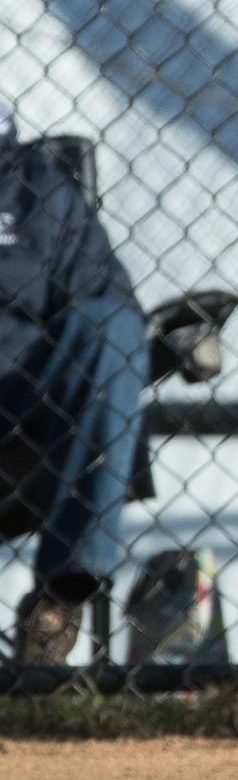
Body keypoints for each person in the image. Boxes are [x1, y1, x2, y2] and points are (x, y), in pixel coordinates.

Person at [0, 104, 145, 664]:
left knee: (112, 328)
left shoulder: (36, 185)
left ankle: (58, 601)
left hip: (22, 403)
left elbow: (106, 298)